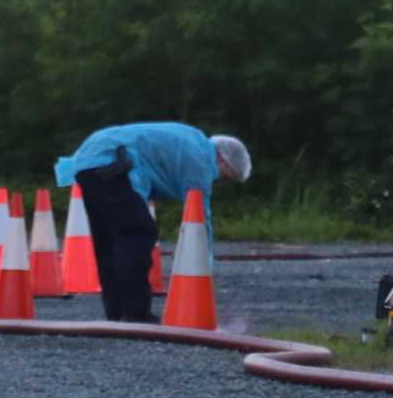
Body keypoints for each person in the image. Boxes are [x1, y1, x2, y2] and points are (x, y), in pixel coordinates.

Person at [53, 122, 252, 322]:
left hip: (88, 162)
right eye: (224, 177)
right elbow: (200, 215)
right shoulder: (201, 159)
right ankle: (136, 313)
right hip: (112, 164)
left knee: (109, 242)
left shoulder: (191, 140)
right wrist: (204, 264)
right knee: (139, 233)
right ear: (223, 161)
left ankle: (116, 313)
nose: (216, 182)